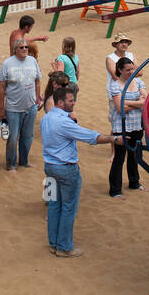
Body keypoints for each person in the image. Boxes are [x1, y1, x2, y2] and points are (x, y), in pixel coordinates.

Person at [41, 87, 121, 257]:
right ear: (61, 102)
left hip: (49, 167)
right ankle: (64, 246)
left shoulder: (46, 118)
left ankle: (54, 243)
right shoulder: (64, 122)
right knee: (69, 207)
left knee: (54, 205)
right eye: (71, 100)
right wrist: (113, 139)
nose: (74, 103)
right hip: (65, 169)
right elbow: (91, 137)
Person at [0, 40, 41, 171]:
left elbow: (38, 81)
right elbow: (1, 87)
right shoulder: (7, 64)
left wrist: (36, 99)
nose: (25, 49)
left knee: (28, 136)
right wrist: (1, 109)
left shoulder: (32, 61)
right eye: (21, 47)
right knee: (12, 138)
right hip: (13, 109)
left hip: (30, 107)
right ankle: (11, 164)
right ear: (15, 49)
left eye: (26, 47)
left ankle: (24, 161)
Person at [107, 57, 146, 198]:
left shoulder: (139, 82)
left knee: (134, 155)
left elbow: (146, 100)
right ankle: (115, 189)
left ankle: (134, 182)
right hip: (122, 126)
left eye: (132, 69)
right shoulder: (115, 86)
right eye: (128, 70)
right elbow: (119, 108)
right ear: (120, 70)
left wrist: (128, 102)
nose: (131, 72)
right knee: (119, 157)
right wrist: (137, 102)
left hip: (137, 124)